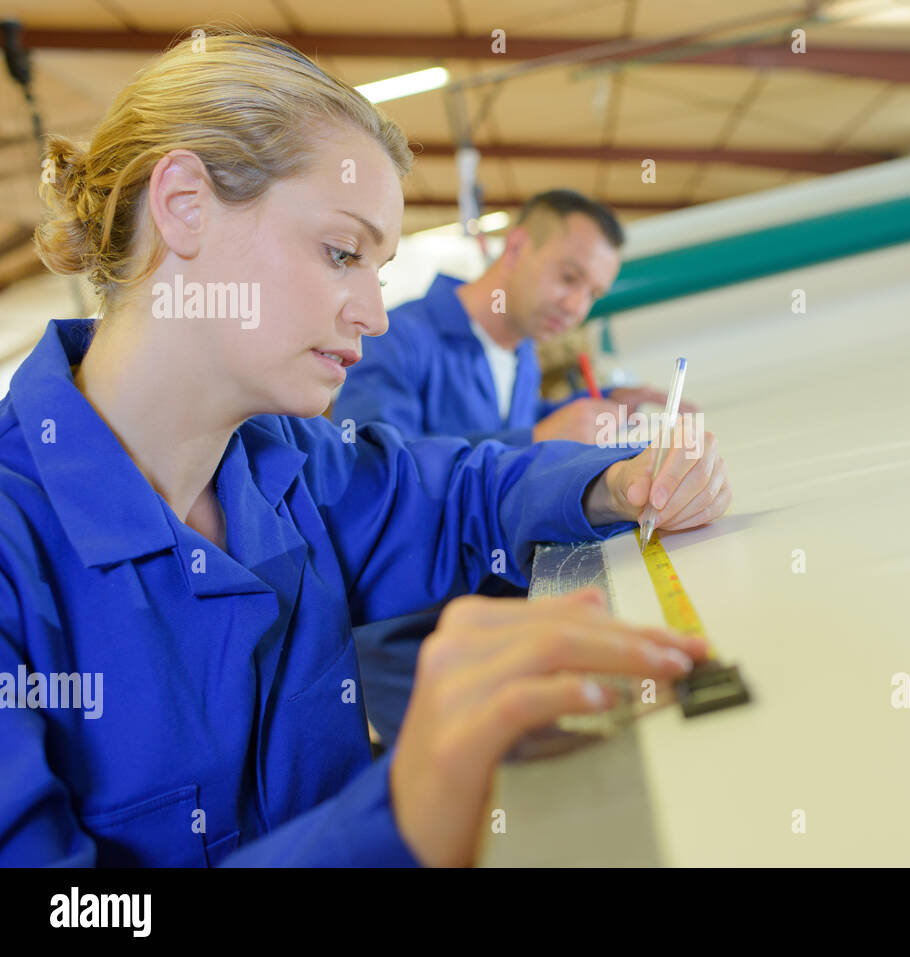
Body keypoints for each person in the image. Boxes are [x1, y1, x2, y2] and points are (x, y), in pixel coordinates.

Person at [0, 31, 731, 867]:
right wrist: (402, 805)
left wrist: (619, 482)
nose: (375, 316)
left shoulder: (292, 466)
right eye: (342, 252)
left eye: (377, 270)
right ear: (184, 204)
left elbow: (463, 491)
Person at [330, 189, 695, 445]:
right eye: (569, 278)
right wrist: (536, 440)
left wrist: (608, 403)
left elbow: (516, 420)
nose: (576, 308)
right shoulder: (397, 338)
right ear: (518, 247)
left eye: (592, 294)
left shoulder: (521, 354)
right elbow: (373, 468)